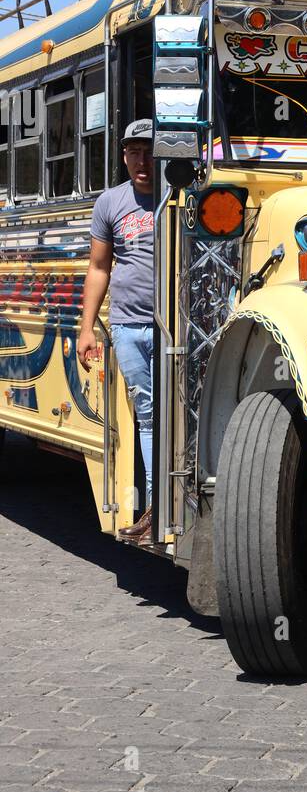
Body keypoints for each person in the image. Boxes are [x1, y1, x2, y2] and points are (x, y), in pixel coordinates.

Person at [78, 120, 156, 545]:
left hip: (171, 328)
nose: (141, 160)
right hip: (127, 325)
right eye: (133, 151)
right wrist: (87, 327)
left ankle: (165, 507)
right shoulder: (111, 202)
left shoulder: (177, 196)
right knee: (147, 415)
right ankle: (154, 509)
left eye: (148, 150)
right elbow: (99, 267)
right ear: (123, 155)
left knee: (174, 418)